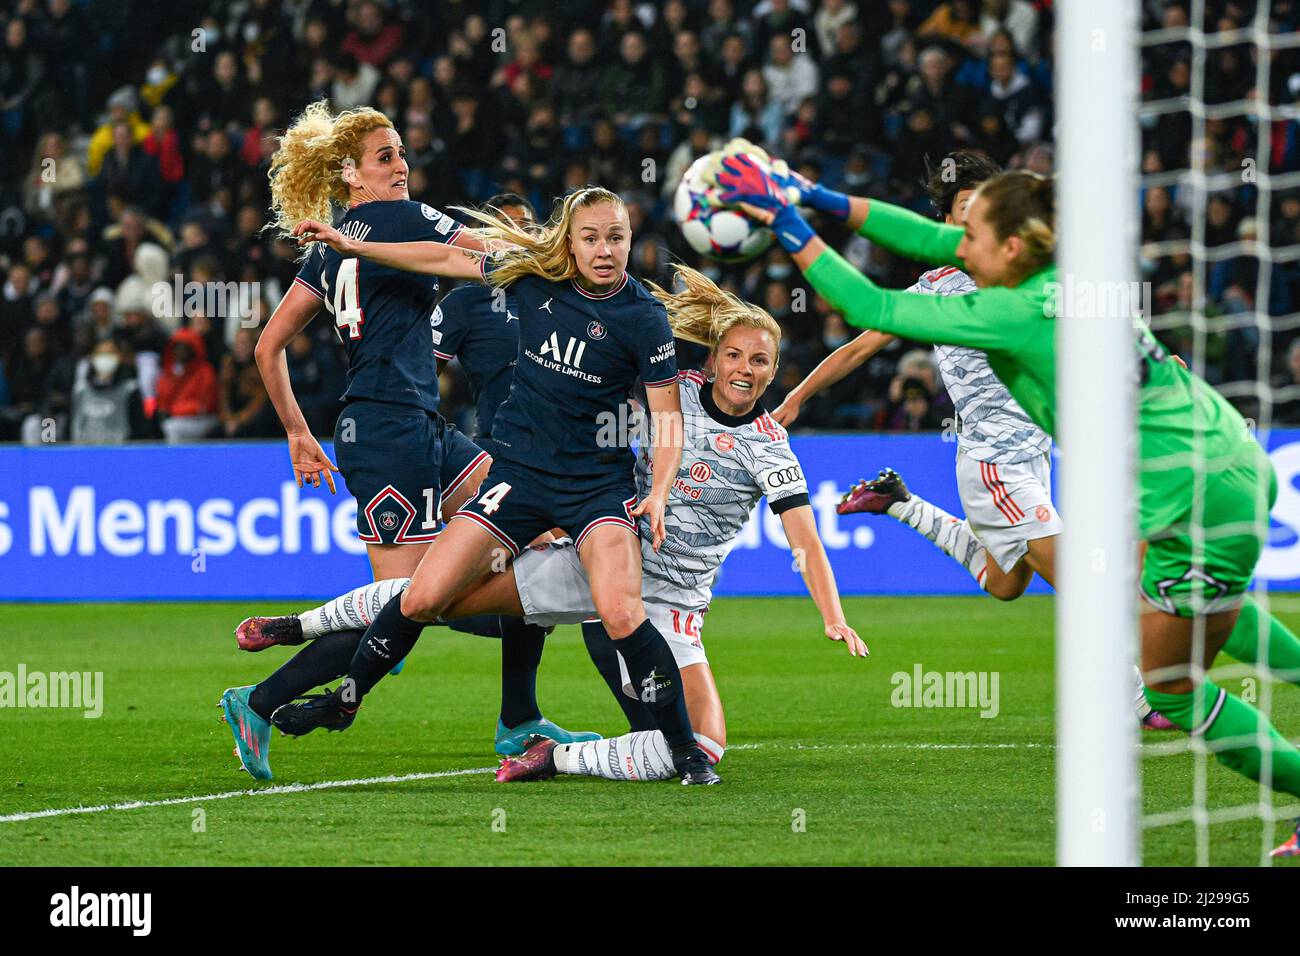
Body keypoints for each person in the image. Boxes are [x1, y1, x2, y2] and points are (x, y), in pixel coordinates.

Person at [713, 147, 1300, 856]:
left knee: (1171, 686)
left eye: (975, 236)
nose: (959, 245)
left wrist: (782, 217)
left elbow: (868, 305)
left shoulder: (1007, 312)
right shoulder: (1062, 272)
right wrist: (816, 193)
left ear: (1010, 245)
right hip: (1230, 455)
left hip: (1185, 495)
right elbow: (927, 242)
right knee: (1153, 599)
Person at [237, 265, 867, 784]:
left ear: (774, 369)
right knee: (434, 596)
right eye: (734, 353)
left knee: (701, 745)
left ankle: (554, 756)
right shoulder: (663, 387)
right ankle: (296, 625)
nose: (745, 368)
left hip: (672, 602)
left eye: (760, 360)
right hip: (594, 554)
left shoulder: (770, 448)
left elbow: (806, 540)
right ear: (714, 357)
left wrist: (832, 614)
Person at [278, 186, 720, 785]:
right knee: (420, 598)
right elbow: (439, 257)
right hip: (517, 480)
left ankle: (683, 749)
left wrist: (660, 490)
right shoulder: (532, 277)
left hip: (595, 489)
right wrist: (348, 241)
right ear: (569, 239)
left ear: (629, 240)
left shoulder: (643, 318)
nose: (604, 249)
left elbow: (668, 419)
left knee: (619, 612)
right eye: (590, 237)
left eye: (616, 237)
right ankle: (346, 700)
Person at [220, 102, 592, 775]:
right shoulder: (401, 218)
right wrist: (575, 248)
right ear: (350, 173)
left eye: (402, 153)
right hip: (388, 434)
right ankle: (261, 699)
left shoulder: (328, 245)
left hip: (416, 427)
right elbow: (486, 254)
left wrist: (299, 432)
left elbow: (268, 346)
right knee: (406, 608)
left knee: (532, 529)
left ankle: (518, 718)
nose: (403, 166)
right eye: (386, 156)